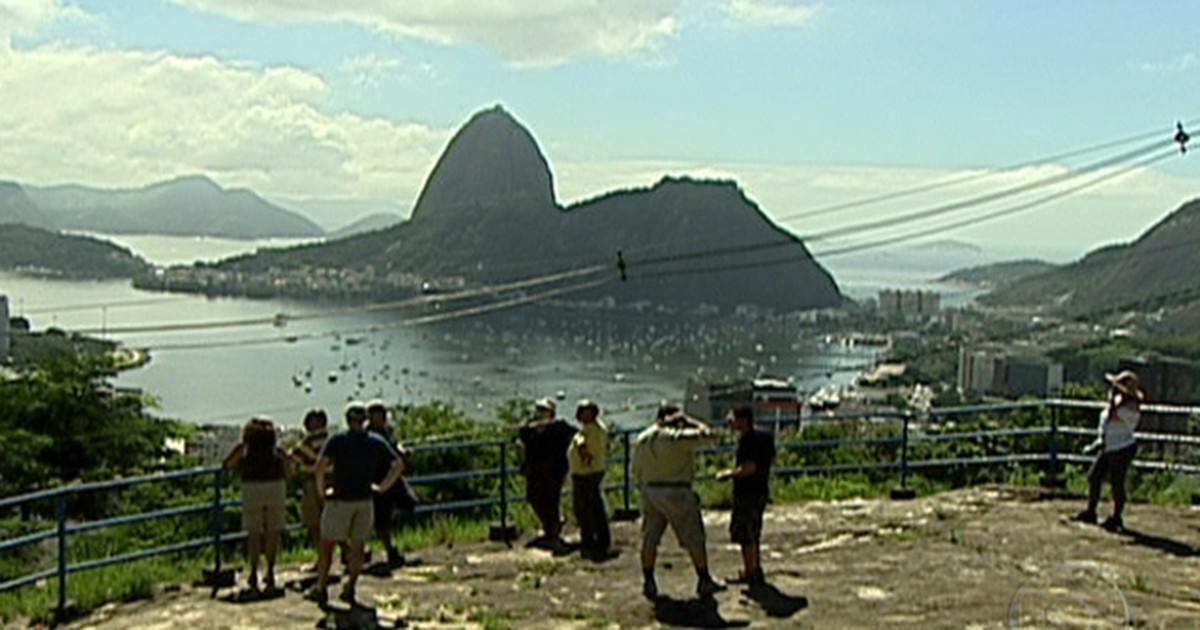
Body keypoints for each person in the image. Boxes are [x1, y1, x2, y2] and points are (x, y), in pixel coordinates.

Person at [305, 402, 405, 606]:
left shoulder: (338, 439)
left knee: (327, 545)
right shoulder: (375, 441)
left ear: (347, 420)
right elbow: (398, 464)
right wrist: (382, 487)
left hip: (340, 499)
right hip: (365, 499)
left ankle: (321, 587)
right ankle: (351, 586)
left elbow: (319, 467)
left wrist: (322, 492)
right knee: (358, 546)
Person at [632, 402, 726, 600]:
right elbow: (711, 435)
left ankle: (648, 581)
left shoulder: (642, 438)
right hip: (677, 491)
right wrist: (690, 421)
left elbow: (636, 469)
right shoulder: (677, 438)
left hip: (650, 490)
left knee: (649, 538)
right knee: (694, 537)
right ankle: (704, 579)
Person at [223, 417, 290, 593]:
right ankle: (270, 571)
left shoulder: (245, 448)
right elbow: (289, 469)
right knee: (273, 532)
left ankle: (253, 572)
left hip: (251, 488)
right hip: (276, 487)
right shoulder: (277, 450)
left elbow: (228, 463)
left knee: (254, 533)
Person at [1074, 370, 1143, 531]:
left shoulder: (1131, 408)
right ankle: (1091, 511)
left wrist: (1113, 399)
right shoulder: (1118, 401)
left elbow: (1114, 416)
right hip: (1108, 446)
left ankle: (1117, 517)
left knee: (1117, 482)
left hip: (1121, 447)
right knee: (1094, 476)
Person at [717, 405, 775, 586]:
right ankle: (755, 568)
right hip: (761, 489)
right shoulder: (765, 437)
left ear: (743, 420)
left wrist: (728, 474)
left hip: (747, 493)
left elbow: (749, 467)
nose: (731, 422)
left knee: (745, 534)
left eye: (734, 419)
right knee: (755, 532)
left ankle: (750, 573)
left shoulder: (748, 442)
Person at [515, 397, 576, 547]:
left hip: (555, 469)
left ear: (551, 412)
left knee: (552, 498)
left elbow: (575, 435)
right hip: (534, 468)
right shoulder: (529, 427)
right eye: (538, 409)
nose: (540, 413)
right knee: (533, 496)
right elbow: (519, 440)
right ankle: (550, 523)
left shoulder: (559, 426)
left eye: (544, 410)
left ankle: (552, 528)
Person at [366, 399, 409, 567]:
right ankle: (389, 550)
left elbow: (395, 444)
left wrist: (402, 450)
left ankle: (389, 547)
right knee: (379, 519)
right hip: (375, 479)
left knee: (407, 505)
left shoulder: (388, 431)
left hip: (392, 478)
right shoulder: (367, 434)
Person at [568, 399, 612, 559]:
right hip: (591, 471)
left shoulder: (592, 430)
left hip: (586, 473)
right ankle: (599, 538)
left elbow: (585, 448)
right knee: (594, 506)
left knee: (584, 508)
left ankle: (590, 540)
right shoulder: (594, 428)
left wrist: (584, 457)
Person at [292, 408, 330, 552]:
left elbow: (295, 457)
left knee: (314, 522)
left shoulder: (308, 443)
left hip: (312, 483)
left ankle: (321, 554)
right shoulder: (331, 439)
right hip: (332, 482)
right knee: (332, 521)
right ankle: (347, 551)